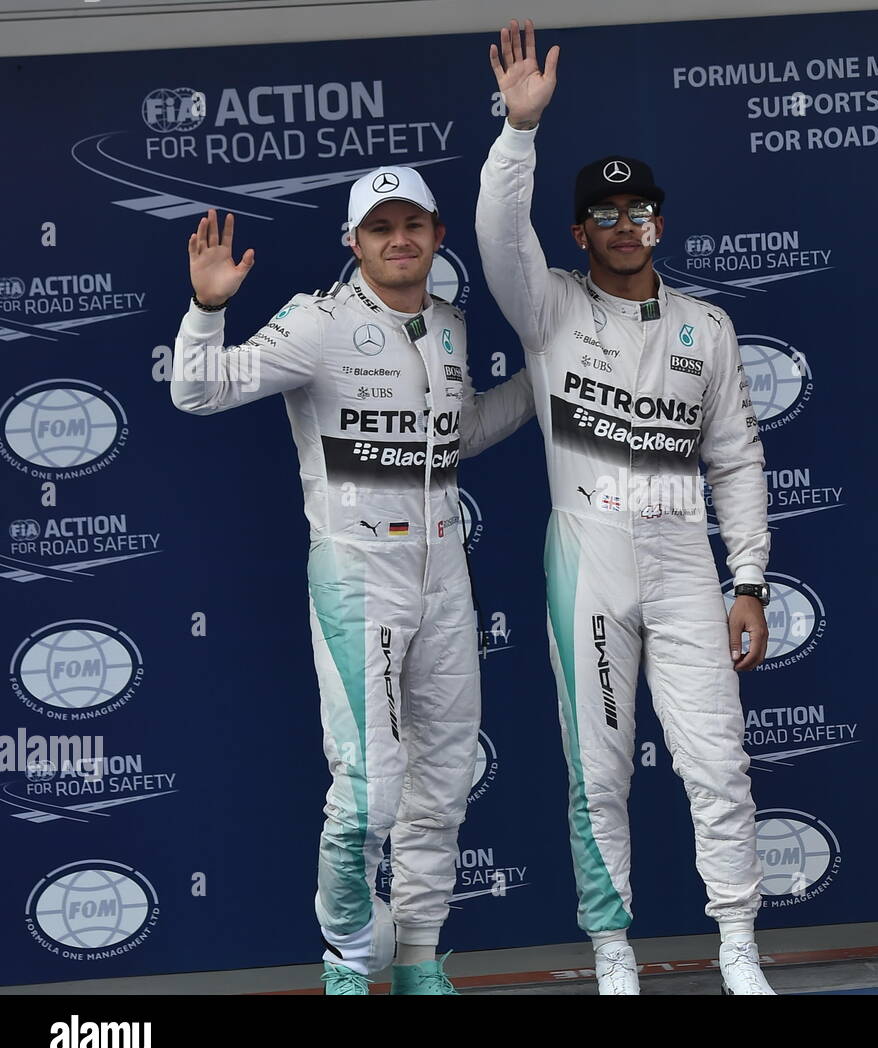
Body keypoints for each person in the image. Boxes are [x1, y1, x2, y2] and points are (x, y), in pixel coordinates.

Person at [171, 167, 534, 994]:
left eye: (413, 224)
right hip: (357, 574)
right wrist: (207, 308)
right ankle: (345, 962)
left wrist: (541, 386)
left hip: (445, 574)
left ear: (438, 236)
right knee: (370, 789)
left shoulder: (448, 324)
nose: (398, 239)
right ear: (354, 243)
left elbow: (459, 431)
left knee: (443, 777)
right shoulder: (318, 321)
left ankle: (416, 964)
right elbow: (197, 391)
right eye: (380, 228)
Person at [476, 19, 776, 996]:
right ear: (578, 231)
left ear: (658, 220)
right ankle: (614, 953)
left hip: (686, 553)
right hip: (589, 555)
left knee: (716, 760)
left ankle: (738, 943)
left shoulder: (706, 325)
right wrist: (519, 132)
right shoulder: (549, 306)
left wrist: (750, 579)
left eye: (635, 207)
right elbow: (494, 235)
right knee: (598, 774)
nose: (621, 222)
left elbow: (734, 455)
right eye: (602, 212)